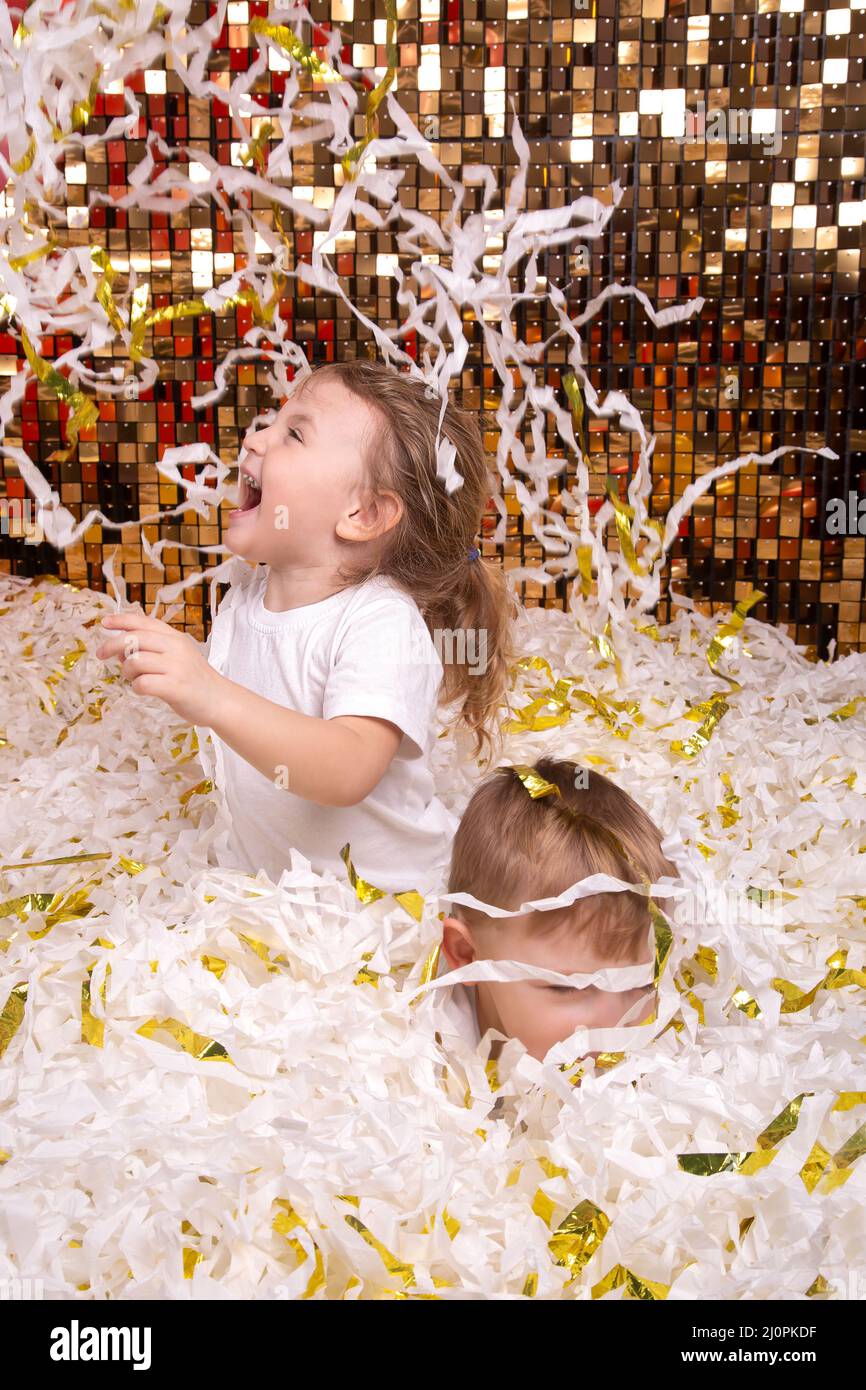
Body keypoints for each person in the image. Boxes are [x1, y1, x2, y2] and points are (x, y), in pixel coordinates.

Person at [97, 359, 517, 894]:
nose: (257, 438)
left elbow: (347, 770)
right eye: (274, 420)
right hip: (274, 904)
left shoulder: (381, 621)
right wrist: (179, 666)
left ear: (363, 514)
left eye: (294, 433)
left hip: (382, 911)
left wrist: (211, 693)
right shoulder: (246, 597)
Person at [438, 757, 678, 1060]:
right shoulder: (419, 1063)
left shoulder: (667, 1055)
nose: (615, 1030)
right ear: (466, 954)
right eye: (569, 988)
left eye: (643, 984)